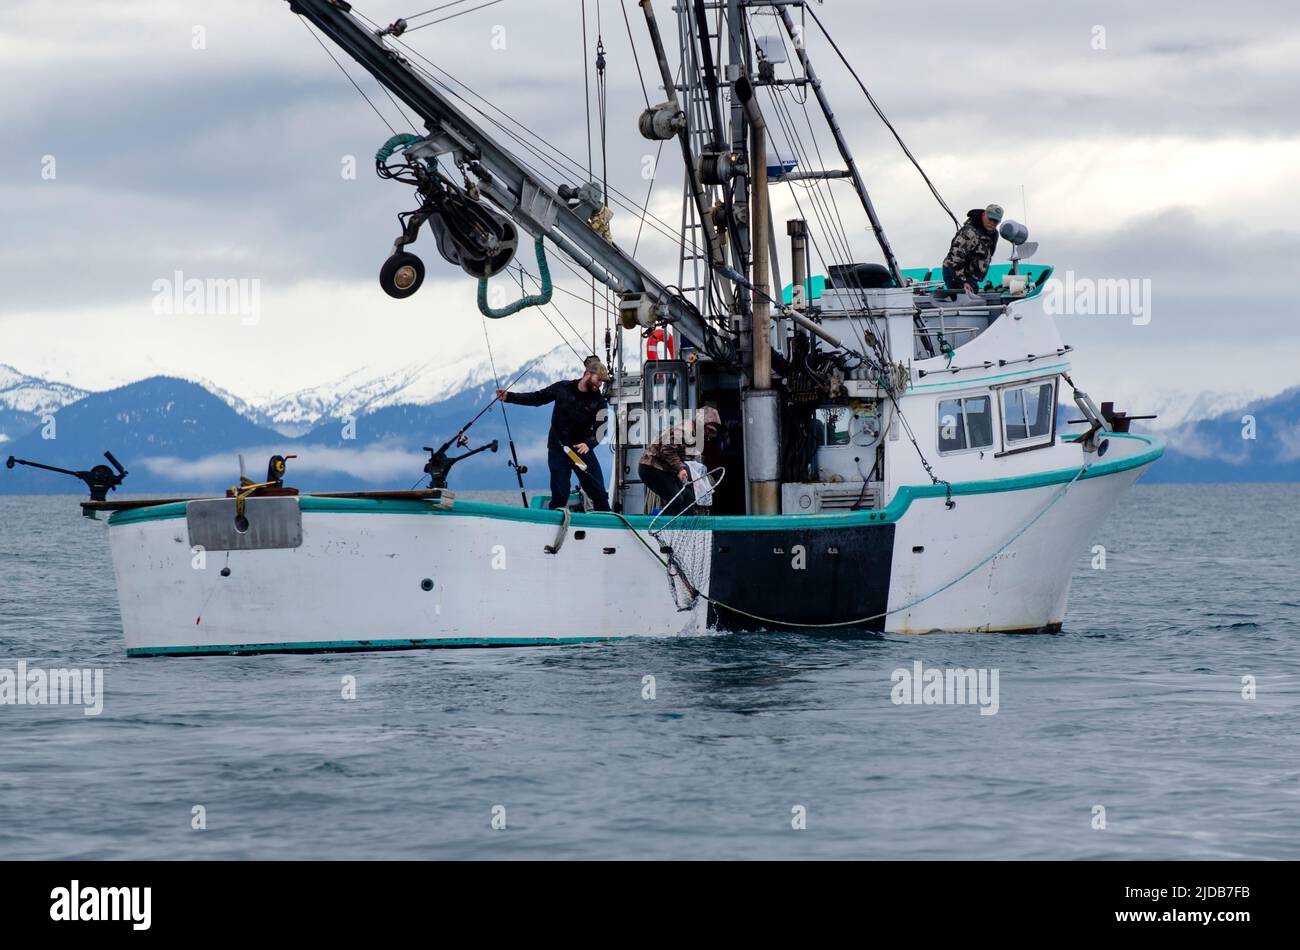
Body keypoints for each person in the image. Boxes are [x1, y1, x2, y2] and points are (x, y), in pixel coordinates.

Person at [497, 356, 611, 511]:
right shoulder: (563, 388)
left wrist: (589, 443)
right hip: (558, 449)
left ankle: (606, 521)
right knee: (559, 496)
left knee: (599, 493)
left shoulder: (599, 401)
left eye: (602, 382)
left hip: (581, 450)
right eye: (599, 380)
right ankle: (555, 525)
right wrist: (509, 397)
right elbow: (536, 398)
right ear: (587, 374)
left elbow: (601, 429)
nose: (600, 384)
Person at [639, 407, 722, 516]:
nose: (708, 433)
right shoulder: (683, 430)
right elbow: (667, 449)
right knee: (676, 499)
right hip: (651, 467)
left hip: (665, 469)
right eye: (707, 428)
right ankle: (660, 526)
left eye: (711, 431)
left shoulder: (696, 436)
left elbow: (686, 456)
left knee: (687, 496)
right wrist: (680, 469)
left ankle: (678, 524)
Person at [942, 203, 1002, 294]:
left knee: (972, 293)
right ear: (984, 215)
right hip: (955, 273)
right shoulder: (969, 232)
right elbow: (954, 258)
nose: (992, 223)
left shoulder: (993, 235)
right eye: (990, 219)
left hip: (970, 276)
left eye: (996, 221)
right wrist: (962, 281)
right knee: (965, 299)